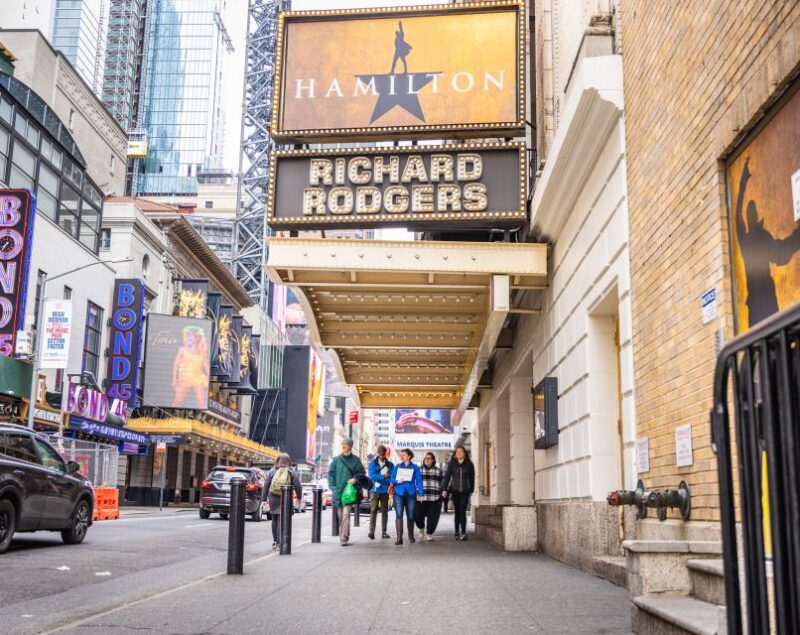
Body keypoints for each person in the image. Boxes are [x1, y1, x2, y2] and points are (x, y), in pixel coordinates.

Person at [327, 438, 365, 546]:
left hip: (349, 493)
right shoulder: (336, 460)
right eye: (342, 443)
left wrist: (355, 479)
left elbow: (362, 473)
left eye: (346, 444)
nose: (343, 445)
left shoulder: (356, 461)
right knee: (341, 517)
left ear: (350, 446)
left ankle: (343, 538)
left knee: (345, 515)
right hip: (338, 493)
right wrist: (333, 487)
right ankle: (346, 534)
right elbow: (330, 474)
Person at [262, 453, 302, 550]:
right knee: (283, 519)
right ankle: (281, 542)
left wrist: (264, 500)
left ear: (278, 461)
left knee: (275, 519)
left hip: (273, 498)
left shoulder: (272, 471)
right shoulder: (291, 471)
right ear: (289, 461)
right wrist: (299, 497)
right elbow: (298, 485)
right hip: (285, 497)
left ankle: (275, 542)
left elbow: (266, 486)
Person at [390, 448, 423, 545]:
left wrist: (421, 494)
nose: (402, 456)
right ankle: (399, 537)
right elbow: (392, 479)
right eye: (401, 455)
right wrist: (396, 481)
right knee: (399, 514)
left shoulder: (415, 467)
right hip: (398, 493)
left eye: (404, 455)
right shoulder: (397, 467)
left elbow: (419, 480)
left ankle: (411, 535)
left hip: (411, 493)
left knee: (411, 515)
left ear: (409, 456)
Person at [442, 445, 475, 540]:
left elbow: (472, 478)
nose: (459, 453)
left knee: (462, 511)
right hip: (455, 491)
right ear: (455, 454)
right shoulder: (452, 464)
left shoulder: (469, 464)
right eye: (457, 452)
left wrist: (471, 489)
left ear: (465, 453)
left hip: (465, 491)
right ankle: (456, 531)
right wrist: (444, 489)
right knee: (457, 512)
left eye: (461, 451)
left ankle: (464, 532)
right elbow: (447, 477)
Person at [367, 445, 394, 540]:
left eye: (383, 452)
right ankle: (371, 532)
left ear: (385, 452)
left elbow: (391, 478)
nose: (382, 453)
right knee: (373, 510)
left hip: (385, 490)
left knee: (384, 511)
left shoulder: (390, 465)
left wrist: (383, 479)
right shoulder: (372, 463)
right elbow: (372, 476)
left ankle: (384, 532)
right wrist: (383, 477)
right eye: (380, 452)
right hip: (374, 490)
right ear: (378, 452)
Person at [415, 452, 442, 541]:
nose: (427, 460)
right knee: (418, 516)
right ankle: (421, 528)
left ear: (433, 460)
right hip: (420, 498)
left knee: (433, 517)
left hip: (434, 497)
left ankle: (429, 533)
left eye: (429, 458)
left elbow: (442, 483)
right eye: (426, 458)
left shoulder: (438, 471)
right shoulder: (418, 470)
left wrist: (442, 493)